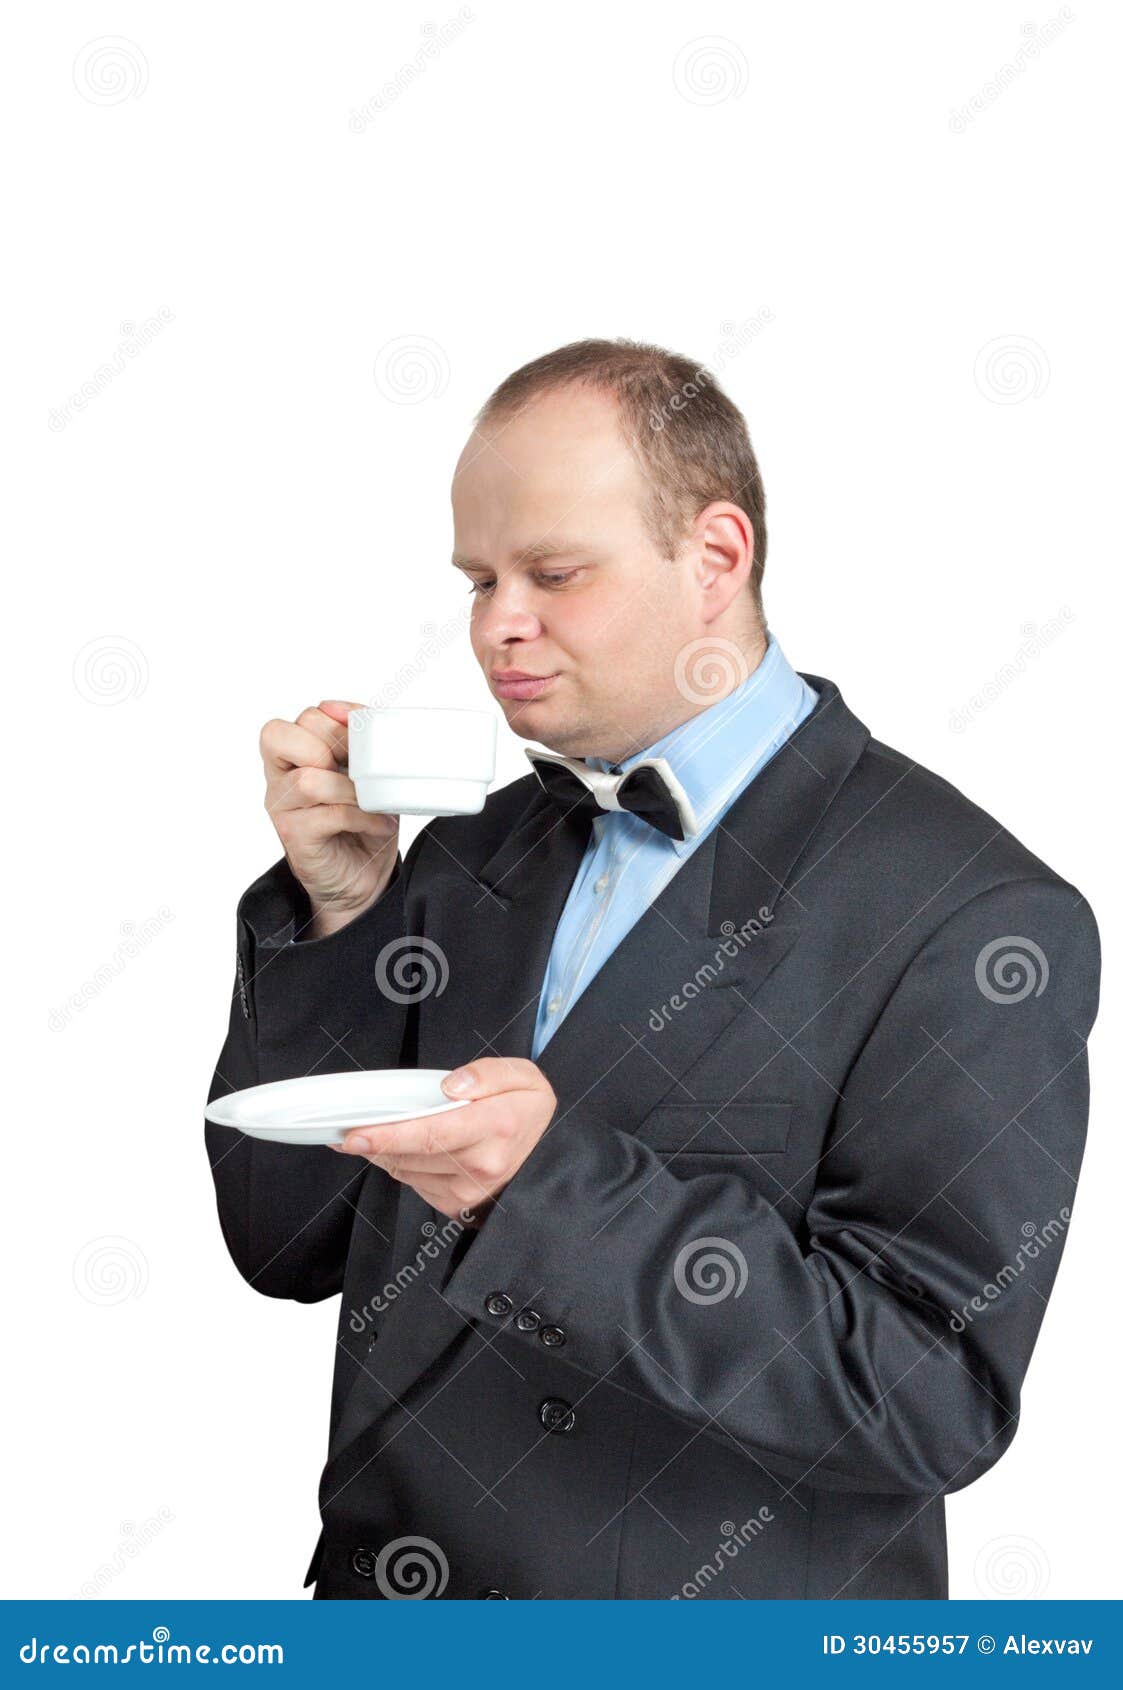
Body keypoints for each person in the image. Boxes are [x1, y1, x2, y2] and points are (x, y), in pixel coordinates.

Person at [206, 337, 1099, 1600]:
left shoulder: (972, 913)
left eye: (553, 573)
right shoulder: (464, 854)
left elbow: (930, 1394)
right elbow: (280, 1241)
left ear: (716, 559)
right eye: (478, 580)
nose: (496, 625)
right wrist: (344, 912)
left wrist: (543, 1190)